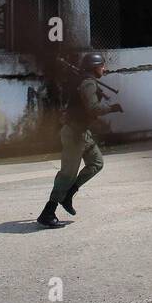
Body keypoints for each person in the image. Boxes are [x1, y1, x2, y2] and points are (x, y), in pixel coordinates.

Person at [37, 52, 123, 229]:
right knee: (67, 174)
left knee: (96, 163)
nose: (104, 69)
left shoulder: (85, 81)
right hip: (75, 134)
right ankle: (48, 212)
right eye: (102, 66)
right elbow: (93, 108)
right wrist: (111, 108)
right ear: (95, 67)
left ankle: (69, 194)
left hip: (83, 132)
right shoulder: (87, 83)